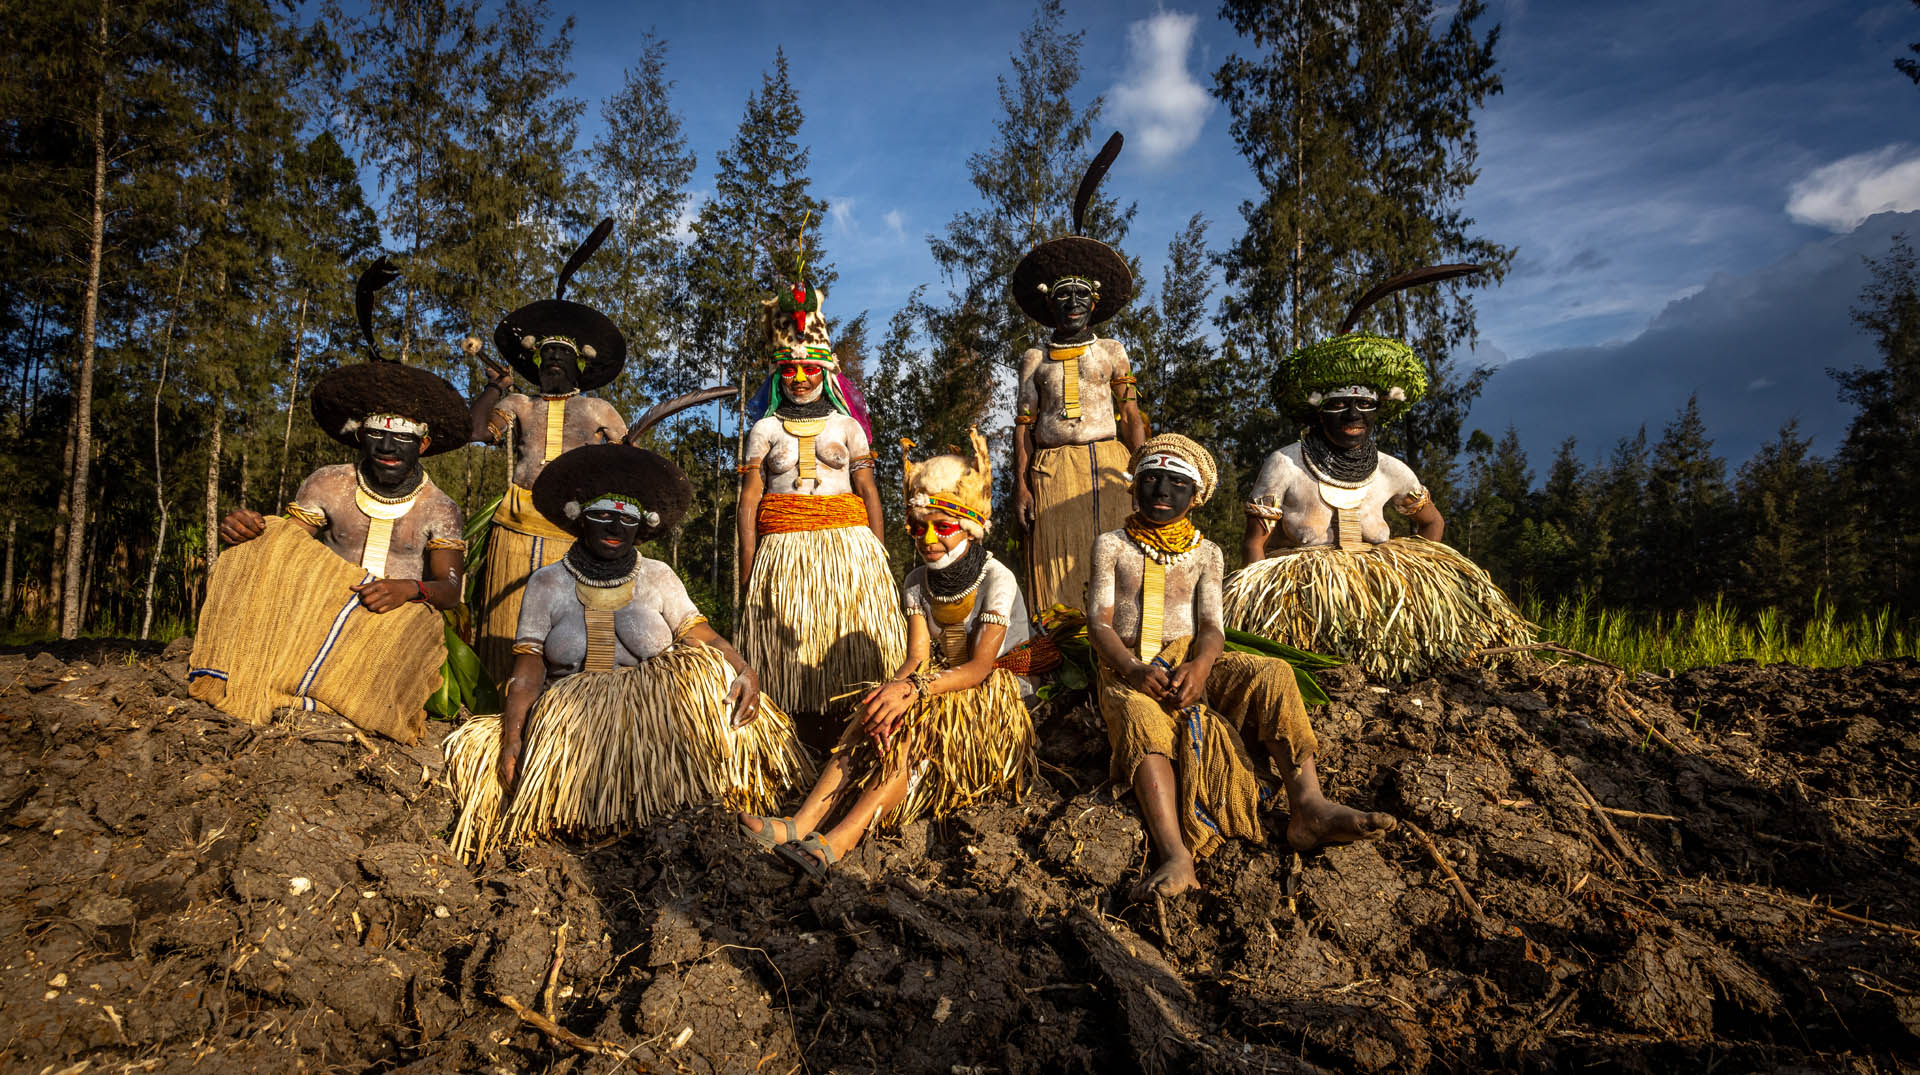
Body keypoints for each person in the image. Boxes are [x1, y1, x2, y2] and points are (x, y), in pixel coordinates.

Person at [445, 437, 813, 862]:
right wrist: (513, 736)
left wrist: (745, 670)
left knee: (709, 678)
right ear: (580, 519)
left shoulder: (657, 576)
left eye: (627, 520)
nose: (615, 530)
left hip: (653, 718)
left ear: (643, 525)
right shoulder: (547, 583)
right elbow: (527, 670)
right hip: (572, 719)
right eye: (601, 517)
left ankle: (696, 805)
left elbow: (705, 638)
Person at [1089, 433, 1394, 900]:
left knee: (1272, 673)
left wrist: (1202, 667)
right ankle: (1175, 852)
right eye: (1151, 480)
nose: (1162, 492)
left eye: (1176, 484)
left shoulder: (1207, 553)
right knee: (1138, 717)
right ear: (1134, 488)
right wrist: (1132, 670)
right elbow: (1099, 623)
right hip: (1130, 668)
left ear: (1196, 497)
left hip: (1190, 659)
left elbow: (1213, 627)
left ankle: (1308, 804)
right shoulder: (1111, 544)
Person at [742, 429, 1044, 875]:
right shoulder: (917, 581)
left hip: (996, 695)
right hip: (939, 682)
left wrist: (913, 691)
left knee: (909, 733)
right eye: (918, 527)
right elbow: (916, 657)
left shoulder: (997, 578)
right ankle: (799, 823)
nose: (928, 538)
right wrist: (892, 691)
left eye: (942, 527)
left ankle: (841, 839)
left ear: (970, 527)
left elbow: (981, 668)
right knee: (870, 717)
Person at [191, 258, 470, 743]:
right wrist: (251, 531)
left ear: (422, 445)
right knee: (261, 550)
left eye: (401, 439)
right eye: (377, 436)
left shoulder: (439, 507)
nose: (387, 448)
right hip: (322, 604)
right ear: (359, 438)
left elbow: (449, 589)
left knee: (406, 645)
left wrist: (409, 591)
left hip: (395, 619)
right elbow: (284, 547)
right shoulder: (328, 483)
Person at [1226, 267, 1533, 681]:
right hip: (1302, 596)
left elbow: (1432, 522)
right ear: (1318, 412)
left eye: (1365, 407)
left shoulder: (1391, 469)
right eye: (1339, 407)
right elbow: (1254, 543)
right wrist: (1259, 605)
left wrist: (1418, 574)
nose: (1353, 417)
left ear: (1378, 413)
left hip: (1379, 594)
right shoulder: (1285, 464)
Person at [466, 219, 631, 683]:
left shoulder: (599, 409)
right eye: (547, 356)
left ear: (580, 364)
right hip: (515, 523)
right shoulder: (518, 403)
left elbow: (628, 464)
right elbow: (481, 431)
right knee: (509, 622)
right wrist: (493, 389)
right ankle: (500, 699)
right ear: (535, 363)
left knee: (566, 624)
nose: (555, 361)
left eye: (564, 356)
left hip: (573, 527)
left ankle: (569, 698)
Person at [736, 279, 905, 722]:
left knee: (854, 652)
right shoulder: (764, 431)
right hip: (783, 551)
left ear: (826, 372)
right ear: (777, 375)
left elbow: (869, 493)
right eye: (788, 371)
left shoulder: (848, 427)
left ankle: (854, 724)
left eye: (809, 369)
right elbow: (749, 503)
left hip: (848, 552)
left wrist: (879, 558)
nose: (799, 378)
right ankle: (797, 729)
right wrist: (748, 568)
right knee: (786, 659)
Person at [1010, 132, 1148, 615]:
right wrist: (1022, 484)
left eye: (1080, 297)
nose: (1071, 304)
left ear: (1094, 303)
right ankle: (1057, 664)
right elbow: (1024, 430)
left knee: (1117, 566)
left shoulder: (1111, 350)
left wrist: (1143, 465)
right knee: (1053, 573)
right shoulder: (1034, 359)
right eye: (1061, 297)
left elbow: (1130, 413)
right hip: (1053, 472)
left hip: (1109, 465)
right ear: (1050, 306)